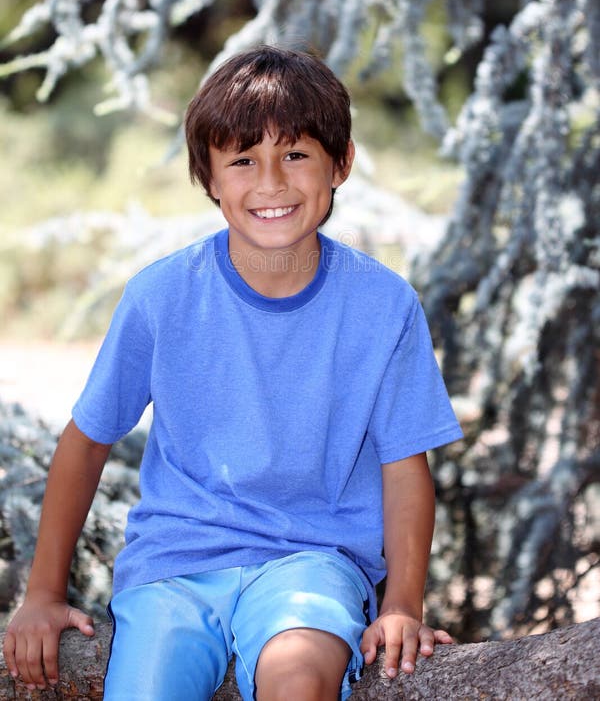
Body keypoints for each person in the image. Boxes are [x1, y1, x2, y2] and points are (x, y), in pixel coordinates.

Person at [3, 46, 463, 700]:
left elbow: (404, 468)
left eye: (296, 155)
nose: (271, 182)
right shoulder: (160, 297)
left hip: (316, 561)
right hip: (176, 564)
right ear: (209, 177)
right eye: (243, 160)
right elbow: (87, 440)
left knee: (298, 677)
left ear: (342, 163)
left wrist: (402, 605)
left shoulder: (384, 305)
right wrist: (44, 593)